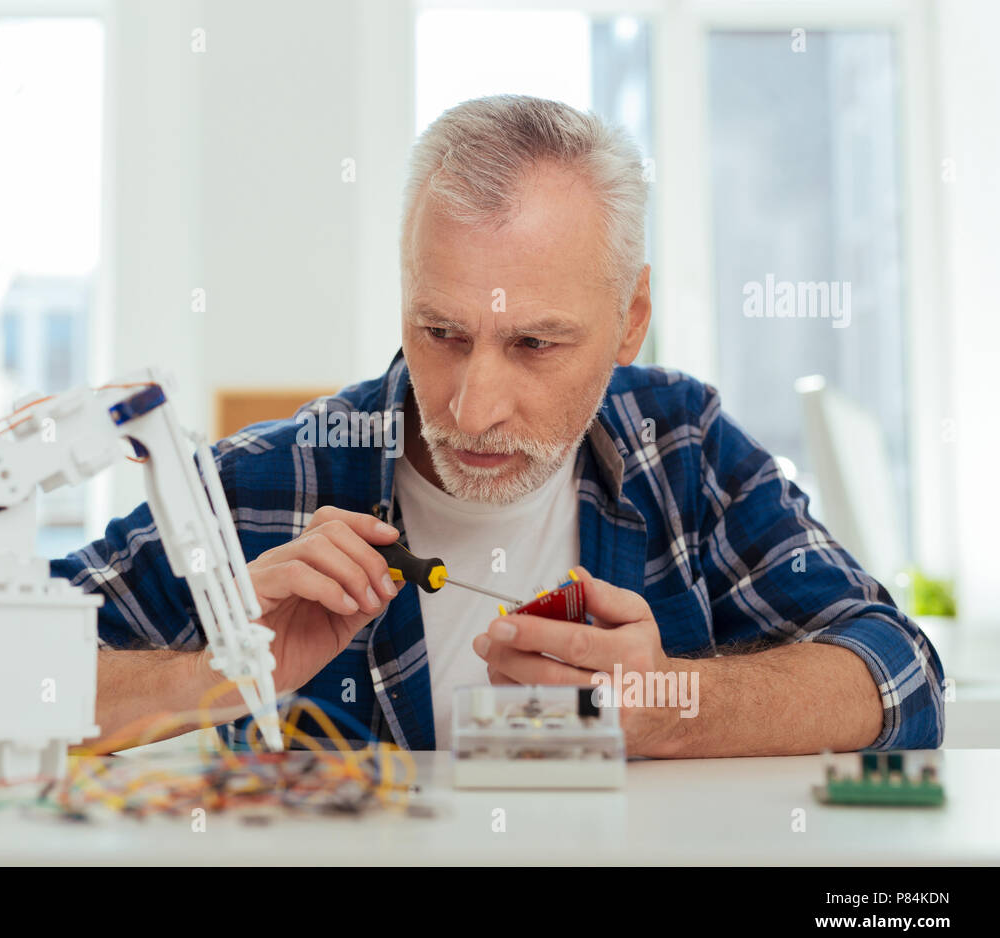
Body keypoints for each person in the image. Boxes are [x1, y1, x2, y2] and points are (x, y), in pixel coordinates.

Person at [51, 94, 944, 755]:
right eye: (441, 333)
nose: (472, 409)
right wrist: (217, 670)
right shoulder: (264, 486)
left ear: (631, 317)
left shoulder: (683, 449)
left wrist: (673, 705)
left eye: (536, 343)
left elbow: (901, 674)